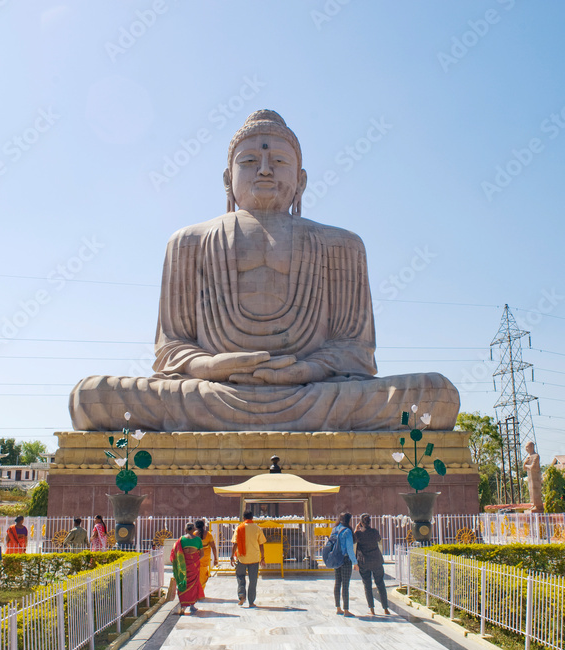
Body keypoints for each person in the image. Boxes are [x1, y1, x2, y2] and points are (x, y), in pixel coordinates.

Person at [68, 110, 460, 433]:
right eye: (250, 161)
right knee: (90, 397)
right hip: (213, 392)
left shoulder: (342, 244)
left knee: (437, 395)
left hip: (314, 394)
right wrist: (210, 365)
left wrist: (306, 369)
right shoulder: (188, 242)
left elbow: (354, 352)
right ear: (228, 179)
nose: (266, 170)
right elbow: (172, 347)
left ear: (301, 180)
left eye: (279, 161)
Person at [354, 514, 389, 616]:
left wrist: (356, 530)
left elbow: (353, 540)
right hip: (376, 560)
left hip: (364, 562)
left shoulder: (359, 534)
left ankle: (372, 609)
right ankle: (385, 608)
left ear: (360, 522)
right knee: (380, 584)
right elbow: (378, 539)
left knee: (367, 585)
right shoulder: (374, 532)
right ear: (370, 522)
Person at [230, 509, 266, 607]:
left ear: (243, 518)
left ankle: (242, 596)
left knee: (240, 577)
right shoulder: (257, 528)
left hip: (241, 558)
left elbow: (235, 544)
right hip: (254, 558)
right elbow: (261, 544)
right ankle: (251, 601)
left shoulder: (239, 528)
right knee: (253, 580)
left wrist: (231, 557)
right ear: (252, 518)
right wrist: (263, 557)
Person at [170, 522, 204, 615]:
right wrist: (195, 561)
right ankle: (192, 606)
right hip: (194, 566)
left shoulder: (181, 540)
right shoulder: (198, 540)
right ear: (194, 530)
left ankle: (183, 605)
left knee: (183, 582)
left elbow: (175, 553)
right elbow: (202, 554)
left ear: (185, 530)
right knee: (194, 584)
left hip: (183, 566)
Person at [331, 511, 358, 616]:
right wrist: (355, 563)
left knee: (337, 583)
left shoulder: (334, 529)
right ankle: (346, 610)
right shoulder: (347, 531)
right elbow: (350, 549)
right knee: (345, 585)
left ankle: (338, 608)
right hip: (346, 560)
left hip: (337, 559)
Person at [195, 518, 217, 595]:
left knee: (196, 576)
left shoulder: (194, 534)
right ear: (204, 526)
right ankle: (200, 593)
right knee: (203, 576)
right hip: (205, 559)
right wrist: (216, 559)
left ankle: (197, 593)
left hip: (196, 559)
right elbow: (214, 547)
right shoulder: (208, 535)